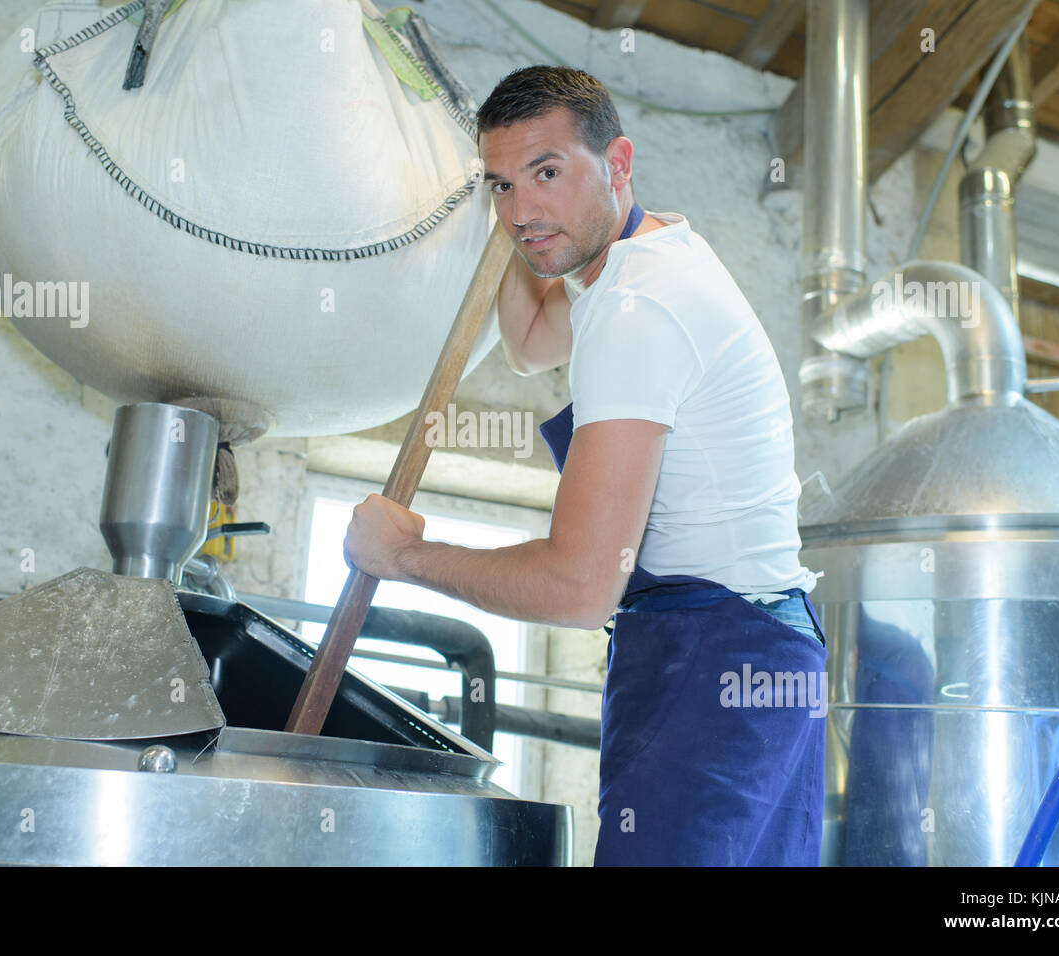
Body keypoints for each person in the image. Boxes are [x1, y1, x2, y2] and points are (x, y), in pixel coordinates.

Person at [341, 65, 828, 866]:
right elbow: (532, 345)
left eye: (547, 172)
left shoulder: (641, 311)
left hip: (716, 663)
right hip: (754, 654)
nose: (522, 209)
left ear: (619, 162)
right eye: (500, 186)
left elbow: (577, 587)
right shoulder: (639, 253)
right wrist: (513, 233)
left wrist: (403, 556)